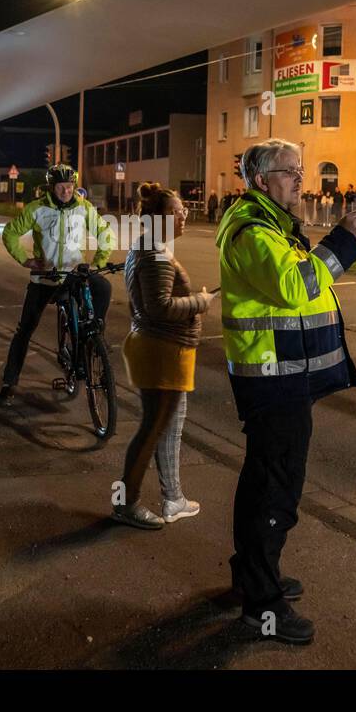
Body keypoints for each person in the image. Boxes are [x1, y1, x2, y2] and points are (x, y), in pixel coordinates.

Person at [216, 138, 356, 645]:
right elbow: (293, 287)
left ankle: (252, 576)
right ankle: (262, 605)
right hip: (272, 377)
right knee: (276, 486)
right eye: (290, 171)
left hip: (285, 375)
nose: (301, 179)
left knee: (266, 477)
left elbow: (305, 290)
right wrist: (343, 241)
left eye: (301, 170)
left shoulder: (276, 225)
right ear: (262, 180)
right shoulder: (251, 230)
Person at [114, 182, 213, 529]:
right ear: (158, 218)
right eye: (177, 211)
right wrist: (200, 302)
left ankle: (173, 498)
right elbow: (158, 307)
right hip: (163, 351)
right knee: (153, 429)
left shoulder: (149, 247)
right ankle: (127, 504)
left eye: (184, 209)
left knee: (166, 428)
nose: (185, 214)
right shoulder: (155, 252)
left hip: (161, 348)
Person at [0, 164, 116, 406]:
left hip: (73, 275)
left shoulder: (83, 207)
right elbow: (10, 232)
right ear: (51, 187)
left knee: (103, 287)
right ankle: (9, 383)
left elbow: (105, 233)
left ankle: (94, 340)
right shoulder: (37, 208)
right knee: (25, 329)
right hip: (45, 278)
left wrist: (97, 262)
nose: (66, 191)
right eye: (61, 187)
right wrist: (26, 260)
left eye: (70, 186)